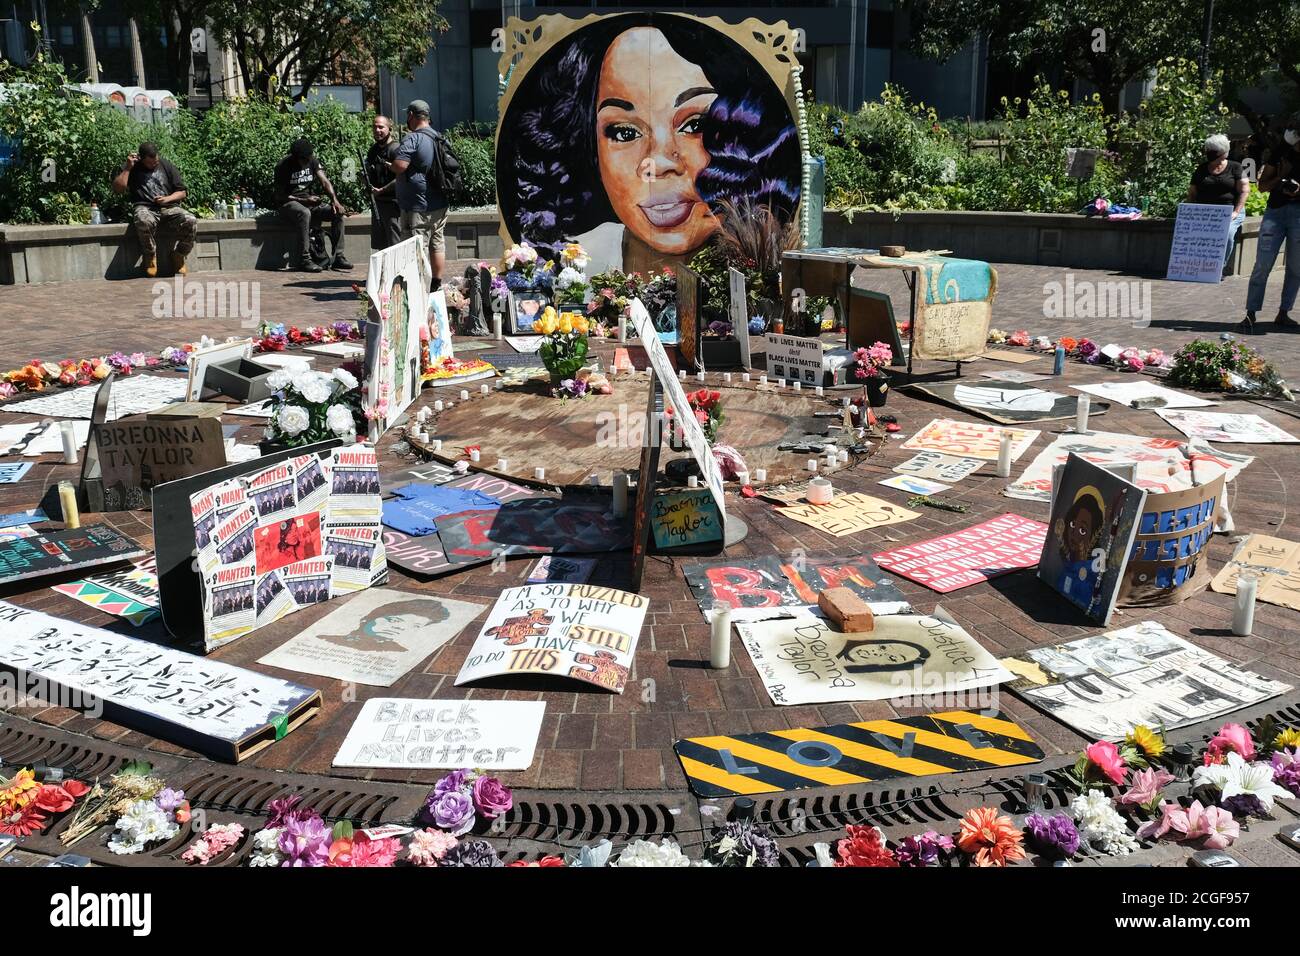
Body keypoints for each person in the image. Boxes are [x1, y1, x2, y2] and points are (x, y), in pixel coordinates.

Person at [496, 13, 800, 273]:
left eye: (695, 125)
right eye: (625, 132)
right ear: (589, 148)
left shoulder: (760, 274)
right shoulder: (576, 266)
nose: (658, 162)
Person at [1242, 118, 1300, 333]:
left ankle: (1284, 312)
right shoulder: (1281, 154)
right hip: (1275, 213)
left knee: (1296, 268)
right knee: (1262, 265)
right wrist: (1281, 178)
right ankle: (1250, 313)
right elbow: (1263, 187)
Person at [111, 142, 198, 278]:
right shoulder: (133, 167)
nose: (154, 165)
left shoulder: (166, 165)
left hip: (169, 207)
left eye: (156, 161)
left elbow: (182, 192)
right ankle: (150, 255)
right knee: (143, 219)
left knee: (191, 220)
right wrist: (128, 168)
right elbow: (118, 189)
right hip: (145, 207)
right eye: (150, 163)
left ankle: (179, 255)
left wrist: (167, 199)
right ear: (141, 159)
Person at [390, 99, 449, 286]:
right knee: (437, 242)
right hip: (439, 202)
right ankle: (436, 283)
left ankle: (419, 287)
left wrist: (391, 166)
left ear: (411, 116)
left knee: (417, 245)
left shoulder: (413, 138)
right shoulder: (439, 137)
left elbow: (400, 166)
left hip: (418, 206)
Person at [274, 138, 352, 273]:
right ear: (295, 157)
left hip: (310, 202)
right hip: (289, 203)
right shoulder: (283, 166)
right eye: (303, 159)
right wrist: (304, 200)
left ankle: (339, 256)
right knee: (304, 213)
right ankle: (305, 260)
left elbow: (324, 181)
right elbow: (279, 196)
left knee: (336, 213)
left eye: (308, 158)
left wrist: (335, 201)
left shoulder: (312, 160)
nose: (307, 161)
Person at [1187, 134, 1249, 274]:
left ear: (1224, 152)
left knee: (1227, 234)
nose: (1209, 153)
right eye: (1208, 149)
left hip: (1229, 211)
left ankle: (1216, 269)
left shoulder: (1236, 167)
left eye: (1213, 150)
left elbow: (1244, 191)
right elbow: (1192, 193)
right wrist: (1190, 212)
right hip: (1206, 212)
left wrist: (1236, 212)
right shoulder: (1202, 169)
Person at [365, 115, 401, 250]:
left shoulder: (396, 149)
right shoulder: (373, 151)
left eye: (381, 127)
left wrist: (383, 190)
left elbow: (402, 176)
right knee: (382, 248)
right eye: (374, 127)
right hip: (377, 204)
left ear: (389, 128)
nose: (377, 130)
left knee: (395, 246)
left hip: (393, 205)